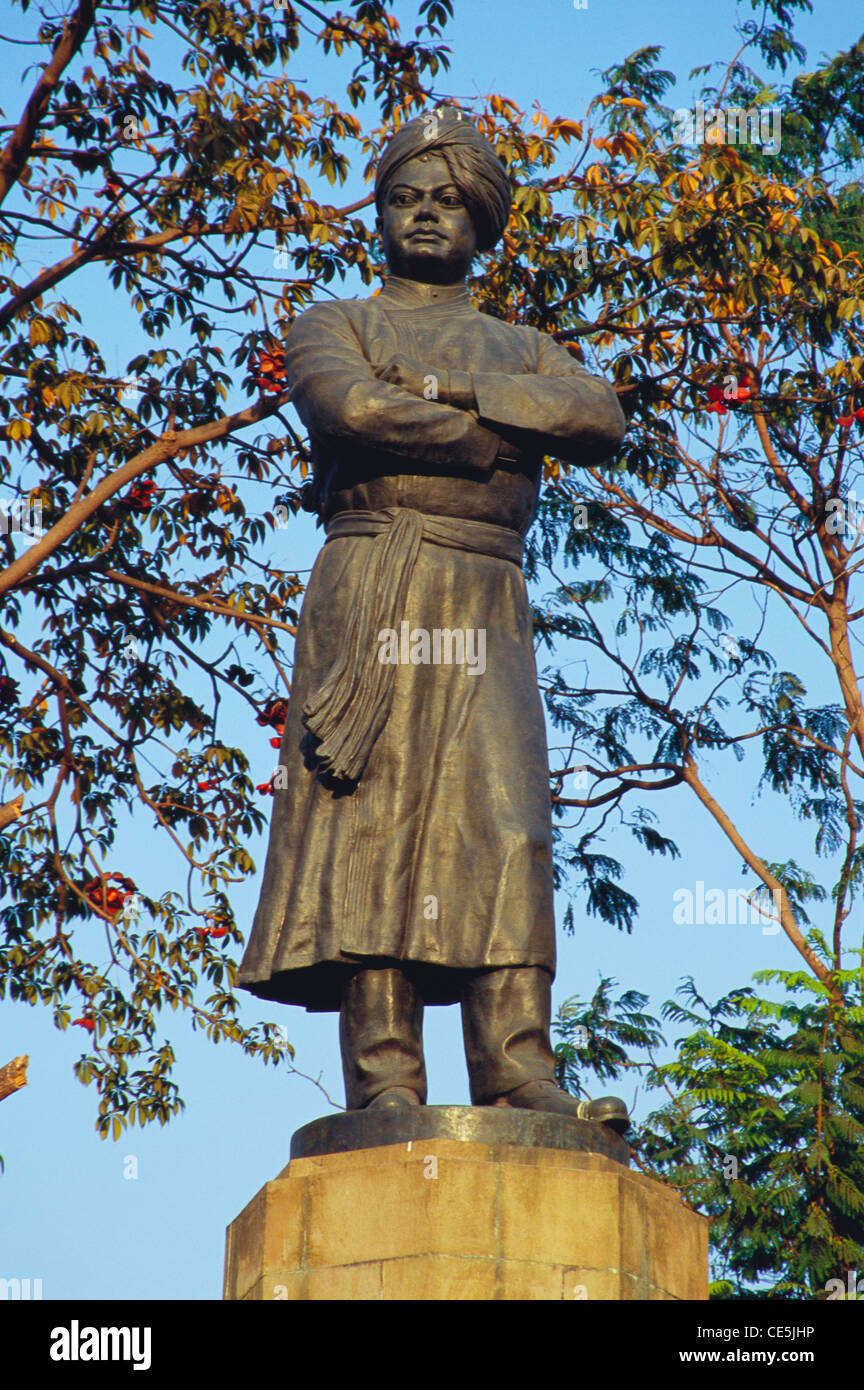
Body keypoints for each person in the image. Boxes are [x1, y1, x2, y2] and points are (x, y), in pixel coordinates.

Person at [238, 109, 628, 1128]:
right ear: (377, 212)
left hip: (485, 588)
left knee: (503, 822)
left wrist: (449, 385)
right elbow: (348, 409)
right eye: (404, 196)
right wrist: (484, 437)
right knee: (374, 823)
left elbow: (598, 416)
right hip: (372, 579)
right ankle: (386, 1078)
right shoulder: (335, 322)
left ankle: (517, 1068)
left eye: (446, 198)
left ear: (481, 220)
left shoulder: (523, 343)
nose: (423, 214)